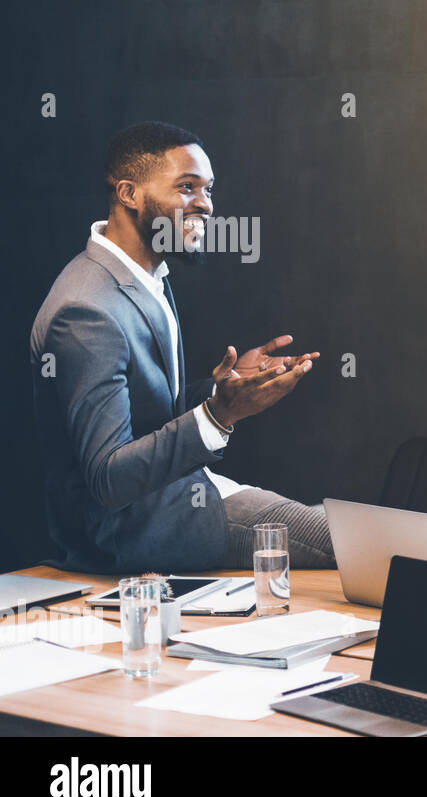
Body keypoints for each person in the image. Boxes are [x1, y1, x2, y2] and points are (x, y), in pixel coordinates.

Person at [30, 121, 333, 574]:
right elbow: (108, 479)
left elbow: (148, 415)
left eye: (209, 189)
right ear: (129, 194)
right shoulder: (86, 310)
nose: (206, 205)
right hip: (132, 529)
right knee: (348, 540)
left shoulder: (144, 276)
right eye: (187, 187)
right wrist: (220, 416)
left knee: (343, 526)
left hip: (181, 488)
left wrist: (222, 391)